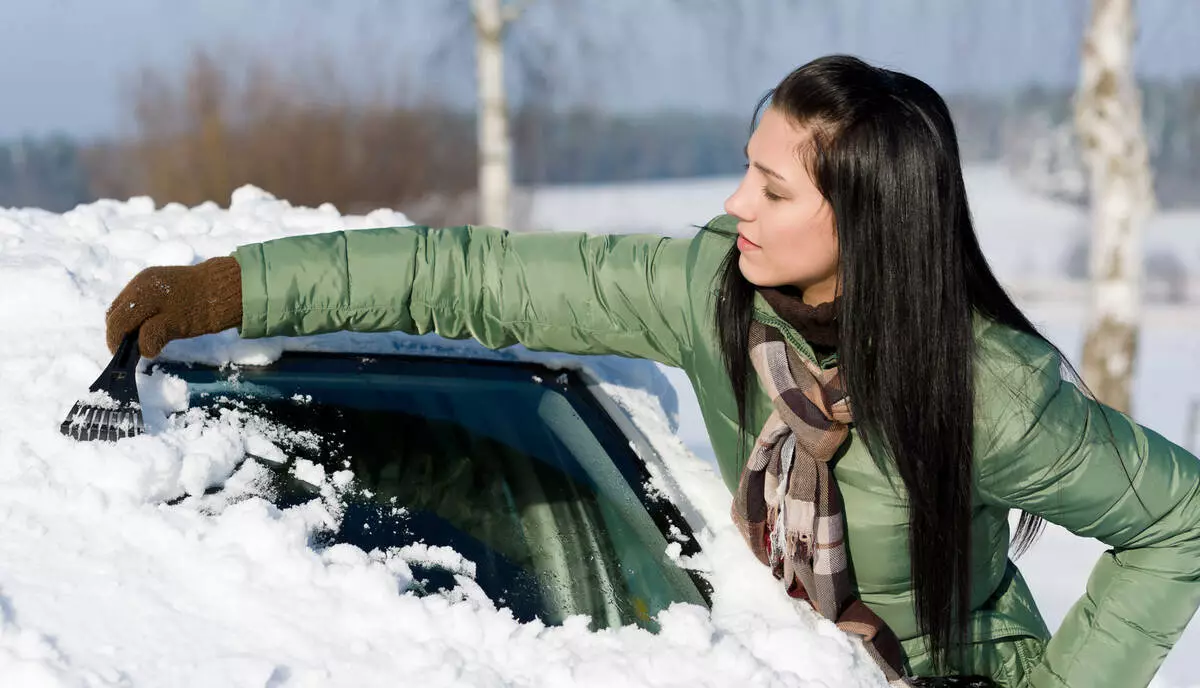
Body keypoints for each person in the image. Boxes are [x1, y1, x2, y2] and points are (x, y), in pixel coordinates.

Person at [103, 55, 1200, 687]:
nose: (735, 206)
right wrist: (233, 289)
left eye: (772, 191)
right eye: (742, 170)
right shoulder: (712, 290)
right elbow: (474, 278)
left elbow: (1179, 518)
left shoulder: (986, 391)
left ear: (866, 220)